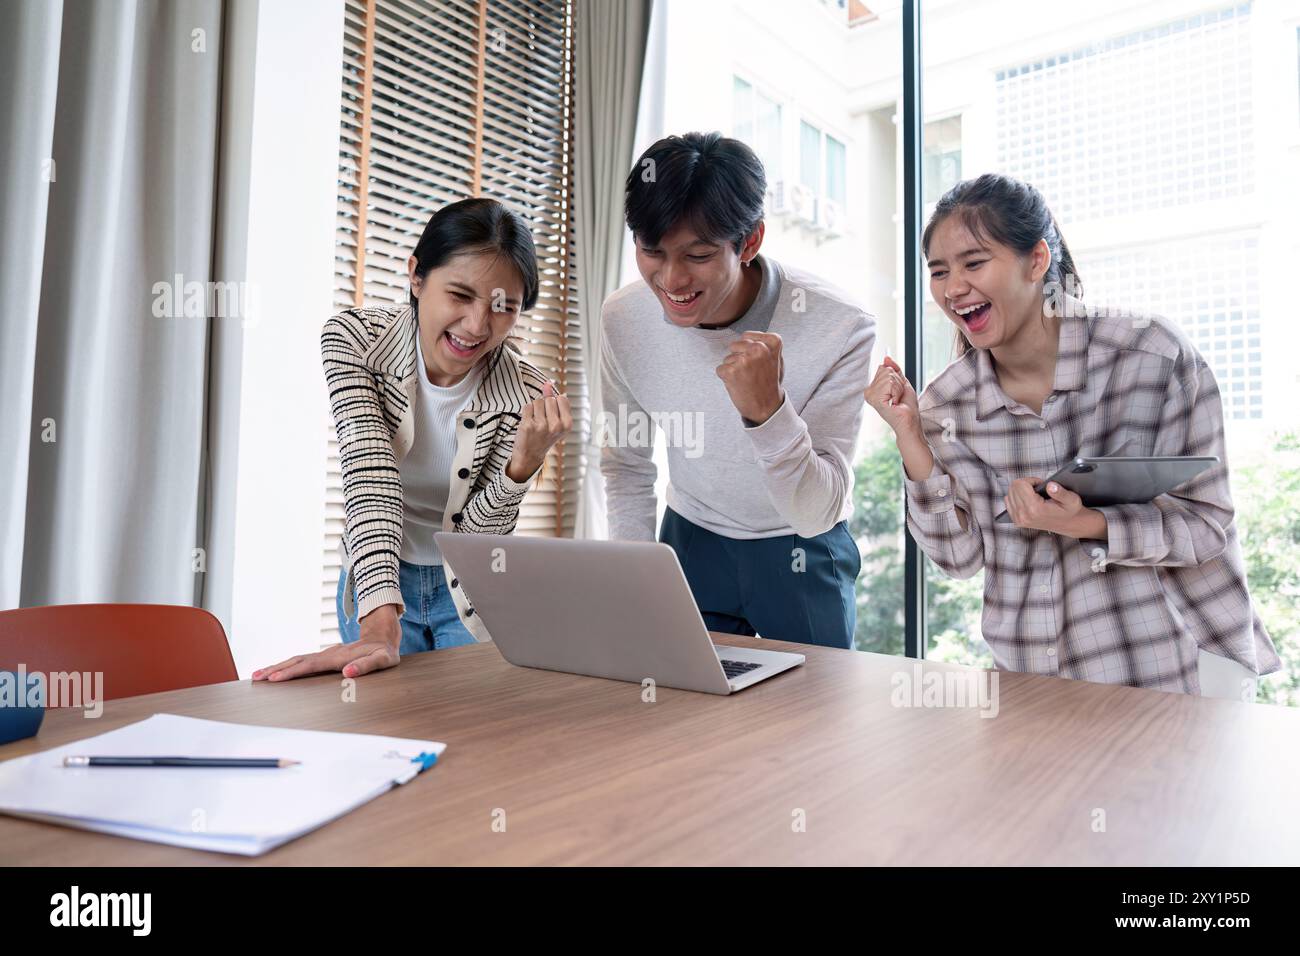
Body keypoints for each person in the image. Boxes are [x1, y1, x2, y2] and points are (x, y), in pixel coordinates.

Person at [863, 172, 1280, 697]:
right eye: (939, 271)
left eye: (974, 263)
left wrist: (1089, 522)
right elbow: (958, 559)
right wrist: (910, 438)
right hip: (1032, 678)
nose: (953, 289)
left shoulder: (1151, 356)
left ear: (1036, 261)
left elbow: (1207, 527)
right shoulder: (948, 405)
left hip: (1174, 665)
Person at [255, 198, 571, 683]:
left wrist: (521, 467)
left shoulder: (525, 393)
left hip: (466, 589)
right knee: (384, 730)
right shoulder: (356, 342)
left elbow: (477, 537)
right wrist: (380, 623)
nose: (477, 326)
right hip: (379, 571)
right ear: (416, 277)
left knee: (469, 734)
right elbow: (370, 474)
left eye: (502, 307)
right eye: (461, 295)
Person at [600, 132, 875, 649]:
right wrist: (637, 579)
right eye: (651, 251)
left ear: (749, 242)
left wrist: (768, 412)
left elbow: (816, 509)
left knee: (815, 721)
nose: (672, 279)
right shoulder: (624, 318)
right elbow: (626, 463)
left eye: (698, 255)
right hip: (691, 537)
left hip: (801, 546)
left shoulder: (841, 323)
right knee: (687, 717)